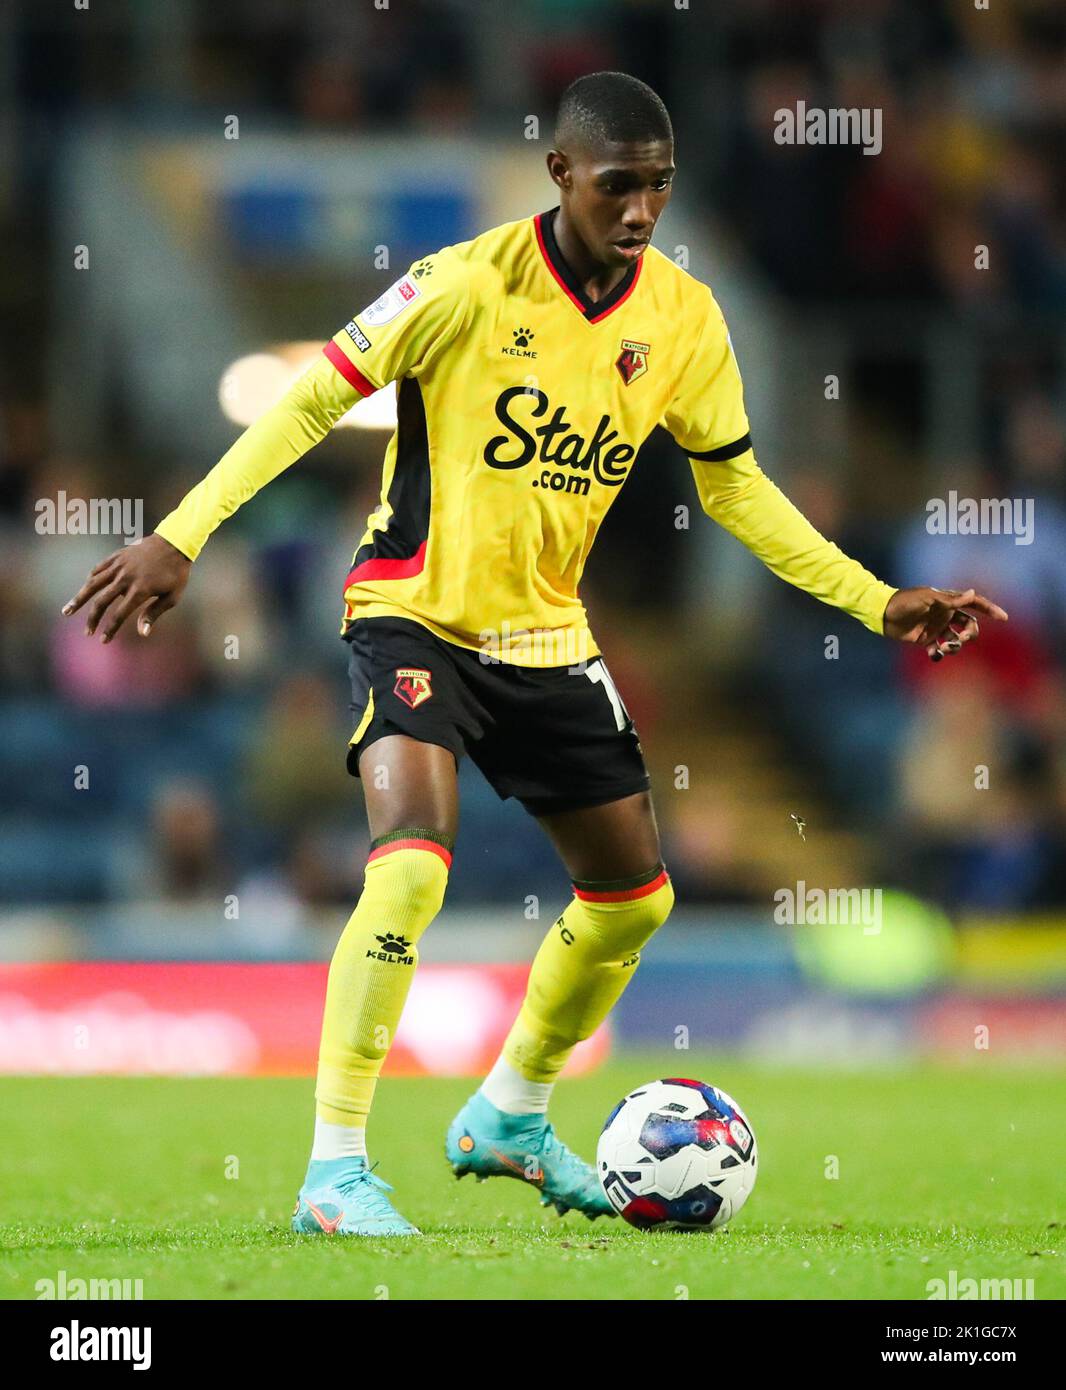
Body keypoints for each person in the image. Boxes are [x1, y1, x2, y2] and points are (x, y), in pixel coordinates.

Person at [63, 72, 1007, 1235]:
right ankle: (334, 1168)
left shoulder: (683, 318)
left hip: (548, 637)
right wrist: (180, 534)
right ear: (559, 174)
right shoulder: (461, 283)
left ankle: (508, 1110)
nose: (641, 209)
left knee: (631, 900)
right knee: (411, 863)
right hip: (412, 609)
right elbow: (310, 401)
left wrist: (874, 601)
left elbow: (737, 490)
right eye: (618, 185)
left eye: (658, 187)